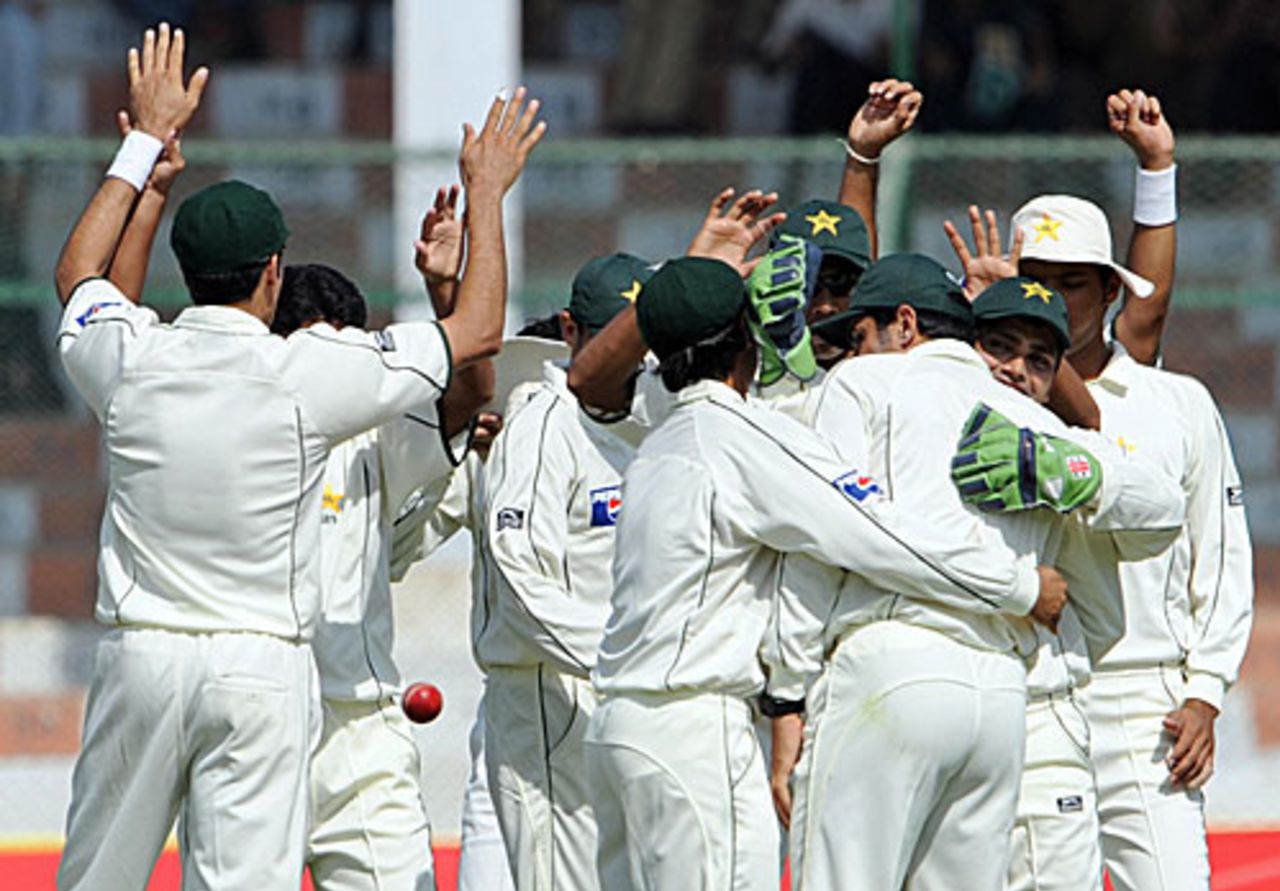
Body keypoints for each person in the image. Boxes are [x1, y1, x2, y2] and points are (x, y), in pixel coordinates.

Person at [51, 24, 541, 887]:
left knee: (97, 877)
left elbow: (81, 279)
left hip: (144, 651)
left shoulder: (132, 356)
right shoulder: (305, 374)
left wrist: (142, 156)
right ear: (272, 272)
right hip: (259, 664)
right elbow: (477, 334)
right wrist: (490, 193)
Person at [582, 256, 1063, 891]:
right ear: (745, 345)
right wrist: (1020, 586)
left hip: (618, 729)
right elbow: (875, 534)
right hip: (694, 732)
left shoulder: (658, 441)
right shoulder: (741, 436)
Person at [779, 254, 1181, 890]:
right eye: (1000, 346)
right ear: (968, 339)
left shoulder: (885, 388)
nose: (1015, 369)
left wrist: (1064, 470)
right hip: (997, 700)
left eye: (1039, 359)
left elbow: (822, 544)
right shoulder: (1022, 415)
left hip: (904, 668)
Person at [1010, 190, 1253, 891]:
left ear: (1111, 288)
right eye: (1034, 282)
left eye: (1072, 282)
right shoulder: (989, 397)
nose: (1053, 299)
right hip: (1031, 700)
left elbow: (1223, 553)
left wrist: (1205, 693)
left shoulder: (1175, 402)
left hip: (1147, 708)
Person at [477, 252, 655, 891]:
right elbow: (518, 574)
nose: (628, 358)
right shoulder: (539, 423)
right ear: (572, 331)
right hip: (550, 699)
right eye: (611, 337)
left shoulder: (644, 422)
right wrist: (618, 654)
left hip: (624, 696)